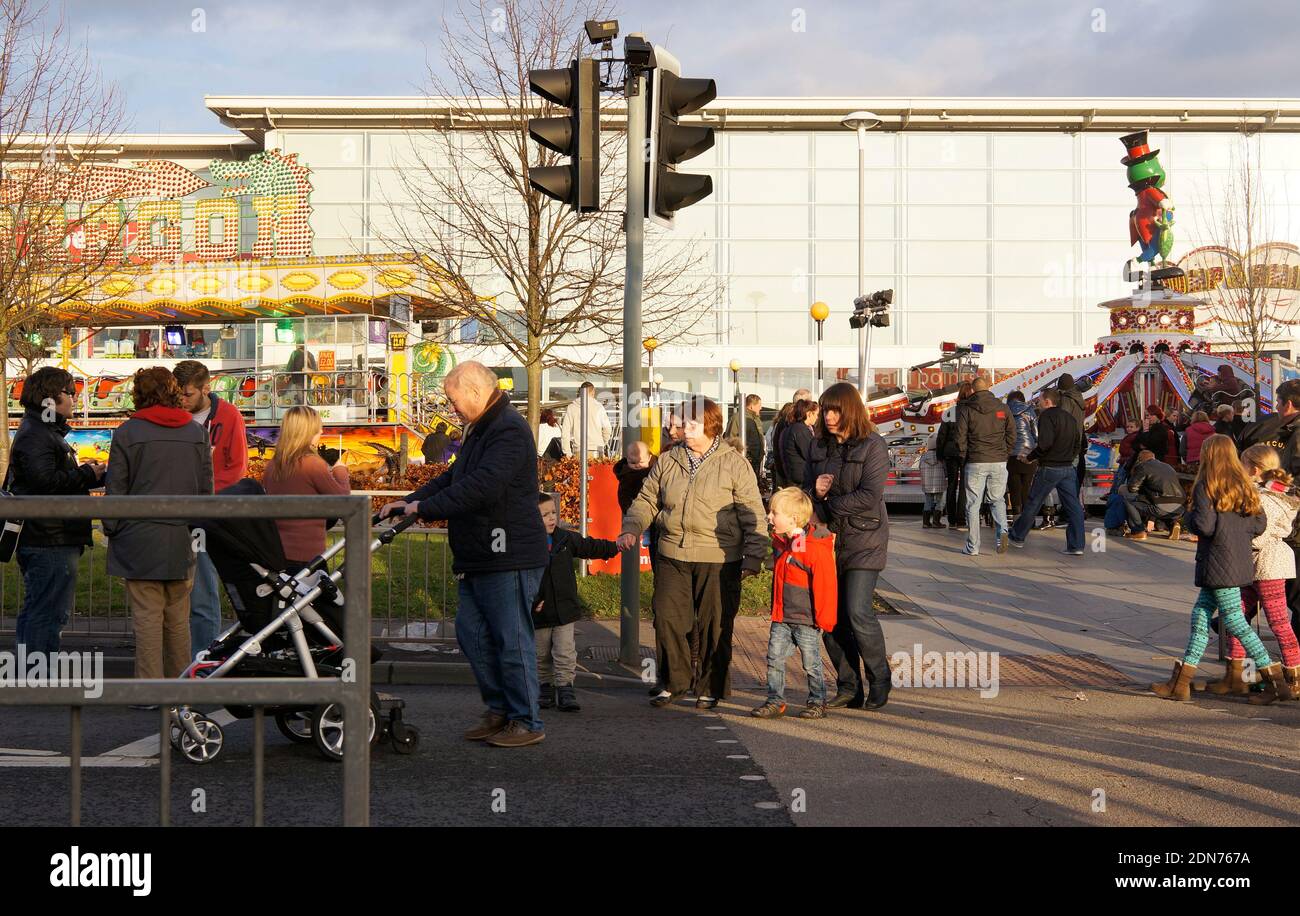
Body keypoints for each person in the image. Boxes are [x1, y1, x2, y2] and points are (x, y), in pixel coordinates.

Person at [381, 362, 550, 748]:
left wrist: (423, 508)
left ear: (475, 392)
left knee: (511, 638)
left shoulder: (507, 428)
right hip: (481, 551)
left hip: (508, 551)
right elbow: (455, 477)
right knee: (472, 634)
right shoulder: (482, 427)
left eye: (453, 400)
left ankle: (526, 719)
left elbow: (483, 487)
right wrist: (408, 501)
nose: (451, 407)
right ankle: (500, 710)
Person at [619, 397, 767, 710]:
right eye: (682, 423)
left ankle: (710, 687)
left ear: (710, 426)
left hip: (719, 556)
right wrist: (631, 527)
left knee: (714, 625)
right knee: (668, 618)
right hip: (673, 551)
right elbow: (647, 500)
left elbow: (752, 510)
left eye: (691, 423)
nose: (683, 429)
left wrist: (754, 556)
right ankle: (674, 682)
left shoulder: (733, 463)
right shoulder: (669, 460)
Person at [1151, 435, 1291, 703]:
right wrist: (1235, 533)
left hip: (1217, 562)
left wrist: (1188, 516)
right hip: (1237, 560)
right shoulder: (1245, 485)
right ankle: (1181, 682)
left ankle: (1275, 682)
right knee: (1200, 616)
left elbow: (1203, 525)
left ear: (1209, 456)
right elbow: (1259, 525)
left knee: (1236, 623)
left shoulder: (1208, 485)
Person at [105, 368, 212, 681]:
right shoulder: (196, 433)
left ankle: (149, 688)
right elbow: (206, 489)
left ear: (139, 394)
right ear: (173, 391)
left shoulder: (127, 433)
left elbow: (116, 489)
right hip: (182, 537)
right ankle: (180, 686)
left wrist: (112, 528)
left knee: (147, 617)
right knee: (178, 618)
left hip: (138, 538)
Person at [803, 382, 892, 710]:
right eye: (825, 409)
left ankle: (880, 678)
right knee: (830, 617)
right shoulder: (818, 447)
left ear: (850, 410)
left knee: (857, 611)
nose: (828, 416)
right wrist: (816, 492)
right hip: (826, 542)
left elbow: (870, 496)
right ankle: (848, 685)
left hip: (865, 539)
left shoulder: (873, 446)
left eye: (835, 409)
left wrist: (827, 505)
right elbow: (805, 491)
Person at [9, 368, 105, 657]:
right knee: (47, 613)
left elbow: (48, 477)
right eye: (70, 393)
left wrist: (89, 474)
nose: (75, 399)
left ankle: (33, 677)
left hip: (50, 535)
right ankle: (38, 681)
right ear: (49, 398)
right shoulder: (38, 434)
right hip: (48, 537)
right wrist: (87, 474)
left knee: (41, 609)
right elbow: (45, 483)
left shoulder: (42, 431)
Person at [1203, 444, 1300, 704]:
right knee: (1235, 617)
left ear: (1254, 470)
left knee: (1278, 621)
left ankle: (1293, 679)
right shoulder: (1268, 493)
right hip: (1251, 565)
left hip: (1267, 566)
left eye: (1242, 465)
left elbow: (1260, 533)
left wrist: (1235, 538)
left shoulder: (1266, 498)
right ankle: (1236, 676)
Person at [173, 360, 248, 657]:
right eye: (179, 394)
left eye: (188, 394)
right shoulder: (176, 415)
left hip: (207, 516)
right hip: (178, 514)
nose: (183, 400)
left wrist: (205, 494)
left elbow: (237, 467)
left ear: (206, 389)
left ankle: (203, 658)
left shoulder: (229, 416)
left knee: (203, 592)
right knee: (180, 593)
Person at [751, 487, 837, 720]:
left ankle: (817, 700)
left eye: (774, 513)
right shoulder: (787, 542)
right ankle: (775, 700)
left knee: (811, 663)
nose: (769, 517)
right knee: (774, 659)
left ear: (793, 519)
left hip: (806, 619)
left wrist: (824, 619)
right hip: (782, 615)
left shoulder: (812, 549)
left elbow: (825, 586)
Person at [533, 493, 618, 713]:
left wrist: (615, 546)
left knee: (564, 651)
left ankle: (565, 688)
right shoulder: (528, 545)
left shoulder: (565, 539)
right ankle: (546, 687)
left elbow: (590, 546)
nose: (552, 518)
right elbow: (521, 577)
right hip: (539, 611)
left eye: (553, 512)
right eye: (545, 515)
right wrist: (532, 600)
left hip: (564, 609)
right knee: (540, 654)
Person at [1239, 378, 1300, 639]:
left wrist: (1274, 488)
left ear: (1287, 404)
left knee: (1294, 591)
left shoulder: (1298, 434)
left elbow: (1295, 478)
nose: (1275, 407)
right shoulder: (1292, 431)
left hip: (1295, 523)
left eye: (1277, 401)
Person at [261, 406, 351, 568]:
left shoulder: (273, 466)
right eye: (318, 429)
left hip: (278, 553)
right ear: (307, 433)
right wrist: (340, 470)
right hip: (308, 556)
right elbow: (343, 502)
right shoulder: (312, 464)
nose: (322, 432)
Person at [1008, 388, 1086, 554]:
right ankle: (1076, 545)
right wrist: (1069, 457)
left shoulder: (1046, 417)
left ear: (1048, 401)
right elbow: (1078, 442)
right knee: (1073, 507)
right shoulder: (1070, 418)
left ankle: (1017, 536)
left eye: (1040, 400)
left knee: (1033, 502)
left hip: (1050, 467)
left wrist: (1029, 457)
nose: (1038, 402)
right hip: (1068, 467)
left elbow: (1045, 444)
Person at [955, 377, 1015, 555]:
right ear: (989, 388)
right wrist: (1004, 453)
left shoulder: (967, 410)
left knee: (973, 504)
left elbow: (960, 438)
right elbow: (1012, 434)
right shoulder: (1003, 408)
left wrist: (964, 458)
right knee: (998, 500)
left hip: (976, 461)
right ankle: (1002, 533)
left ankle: (973, 547)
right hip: (998, 460)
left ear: (972, 390)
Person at [1121, 450, 1185, 541]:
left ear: (1140, 459)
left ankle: (1138, 531)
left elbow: (1132, 488)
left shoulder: (1143, 466)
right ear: (1154, 458)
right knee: (1159, 505)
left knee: (1128, 500)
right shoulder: (1168, 466)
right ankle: (1173, 525)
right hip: (1179, 507)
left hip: (1161, 505)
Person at [935, 382, 973, 529]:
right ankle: (961, 519)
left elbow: (941, 435)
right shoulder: (972, 411)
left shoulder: (950, 412)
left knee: (951, 484)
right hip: (966, 452)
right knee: (964, 485)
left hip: (950, 452)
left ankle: (951, 519)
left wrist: (940, 454)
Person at [1006, 390, 1038, 519]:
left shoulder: (1004, 412)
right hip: (1028, 452)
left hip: (1011, 453)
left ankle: (1016, 516)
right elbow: (1036, 434)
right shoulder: (1030, 410)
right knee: (1027, 486)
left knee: (1014, 487)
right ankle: (1028, 519)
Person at [560, 381, 612, 458]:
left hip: (579, 450)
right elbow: (607, 428)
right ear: (593, 392)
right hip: (597, 450)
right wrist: (603, 442)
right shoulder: (599, 407)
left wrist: (567, 452)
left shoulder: (572, 407)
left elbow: (565, 432)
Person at [780, 399, 818, 496]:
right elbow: (811, 454)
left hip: (792, 474)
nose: (817, 418)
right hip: (801, 477)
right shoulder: (800, 430)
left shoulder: (790, 428)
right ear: (809, 414)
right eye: (816, 414)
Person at [726, 393, 764, 480]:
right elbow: (731, 438)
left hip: (755, 460)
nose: (761, 408)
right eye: (759, 405)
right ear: (751, 406)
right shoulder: (738, 418)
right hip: (743, 459)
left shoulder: (756, 419)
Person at [920, 431, 946, 528]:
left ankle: (925, 523)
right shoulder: (941, 456)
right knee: (940, 502)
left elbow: (919, 468)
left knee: (928, 501)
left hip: (927, 484)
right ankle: (936, 522)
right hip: (939, 483)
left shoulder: (923, 456)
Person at [768, 402, 795, 487]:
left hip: (777, 460)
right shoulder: (785, 424)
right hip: (782, 462)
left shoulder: (776, 423)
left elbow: (770, 439)